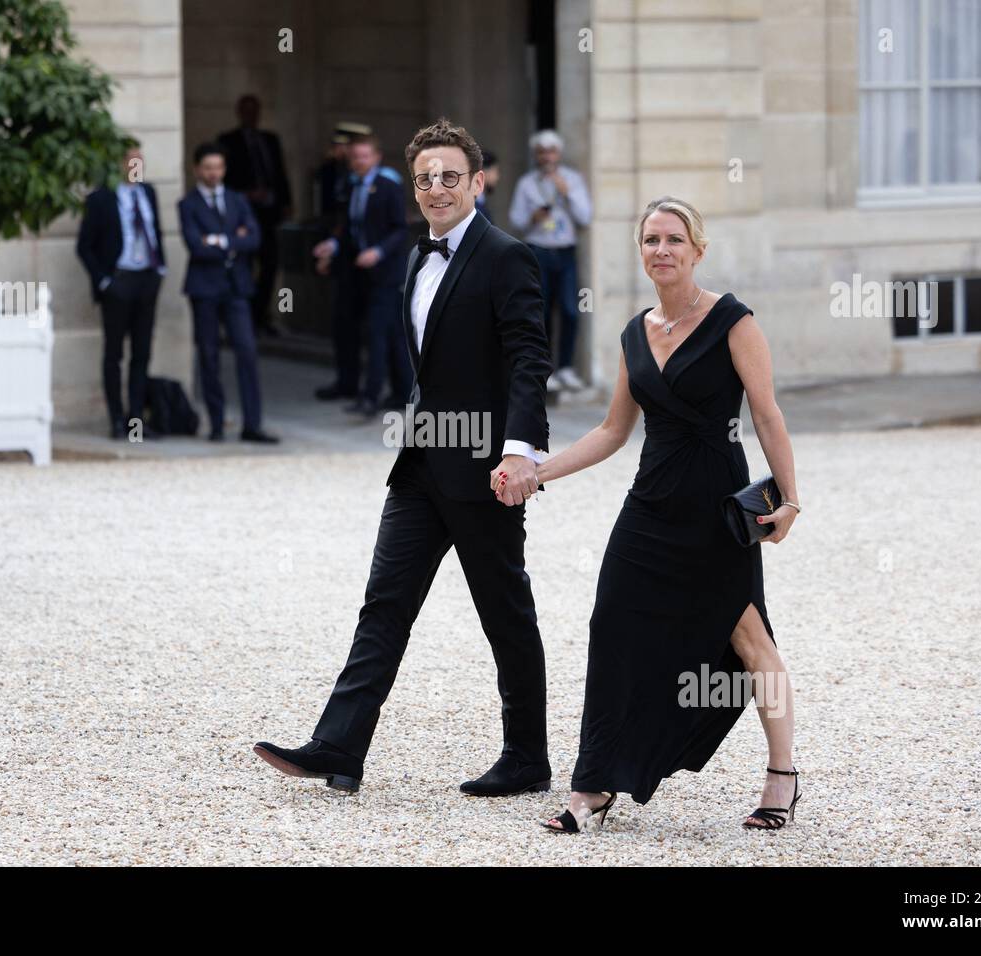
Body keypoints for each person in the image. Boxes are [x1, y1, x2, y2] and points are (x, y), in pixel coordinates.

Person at [254, 118, 554, 796]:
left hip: (484, 467)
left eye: (450, 176)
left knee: (505, 611)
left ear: (476, 182)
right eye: (425, 179)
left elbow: (530, 358)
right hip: (422, 463)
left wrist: (518, 452)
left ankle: (528, 758)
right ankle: (339, 746)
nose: (437, 188)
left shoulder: (507, 256)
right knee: (383, 604)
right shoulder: (420, 258)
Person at [515, 196, 802, 833]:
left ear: (697, 249)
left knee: (748, 637)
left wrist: (788, 499)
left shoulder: (733, 321)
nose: (662, 250)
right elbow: (614, 431)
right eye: (651, 240)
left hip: (717, 505)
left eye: (674, 239)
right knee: (612, 627)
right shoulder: (633, 332)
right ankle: (595, 783)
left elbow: (767, 414)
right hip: (649, 504)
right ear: (641, 252)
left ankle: (782, 776)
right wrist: (539, 471)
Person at [178, 142, 279, 444]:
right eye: (208, 168)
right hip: (205, 289)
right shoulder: (188, 204)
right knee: (209, 356)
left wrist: (217, 241)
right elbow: (196, 246)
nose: (213, 173)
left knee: (247, 353)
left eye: (218, 167)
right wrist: (233, 239)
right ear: (198, 169)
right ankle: (217, 424)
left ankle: (252, 424)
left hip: (236, 287)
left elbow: (255, 239)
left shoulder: (237, 200)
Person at [311, 134, 412, 416]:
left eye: (365, 156)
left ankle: (372, 395)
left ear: (377, 158)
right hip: (356, 271)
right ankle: (380, 388)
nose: (359, 161)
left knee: (380, 333)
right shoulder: (352, 185)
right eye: (355, 156)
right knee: (358, 328)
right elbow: (349, 228)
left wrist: (378, 252)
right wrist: (331, 246)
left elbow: (400, 229)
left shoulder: (388, 186)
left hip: (385, 272)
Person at [76, 141, 167, 440]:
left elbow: (156, 233)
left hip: (146, 279)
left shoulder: (149, 193)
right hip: (118, 281)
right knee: (113, 353)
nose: (137, 166)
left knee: (142, 353)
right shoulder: (101, 198)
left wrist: (160, 270)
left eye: (140, 160)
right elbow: (85, 246)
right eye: (131, 161)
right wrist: (104, 281)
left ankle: (136, 421)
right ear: (119, 164)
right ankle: (116, 419)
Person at [508, 129, 592, 393]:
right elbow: (515, 220)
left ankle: (566, 367)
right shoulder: (527, 183)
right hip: (538, 251)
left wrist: (566, 192)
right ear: (536, 155)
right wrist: (532, 217)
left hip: (565, 252)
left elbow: (586, 217)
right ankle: (546, 370)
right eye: (542, 152)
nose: (547, 157)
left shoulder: (573, 180)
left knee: (570, 309)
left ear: (559, 153)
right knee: (540, 312)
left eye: (552, 151)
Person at [217, 95, 292, 338]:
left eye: (255, 110)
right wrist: (247, 194)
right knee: (245, 265)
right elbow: (225, 181)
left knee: (270, 264)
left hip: (269, 214)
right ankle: (244, 317)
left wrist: (286, 202)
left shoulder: (270, 139)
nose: (251, 115)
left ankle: (262, 315)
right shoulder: (227, 141)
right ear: (239, 112)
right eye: (247, 111)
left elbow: (279, 172)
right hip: (244, 214)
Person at [474, 148, 499, 224]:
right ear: (483, 173)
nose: (497, 177)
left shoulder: (480, 203)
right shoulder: (474, 207)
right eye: (495, 171)